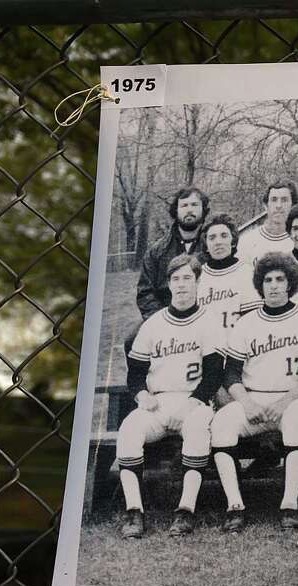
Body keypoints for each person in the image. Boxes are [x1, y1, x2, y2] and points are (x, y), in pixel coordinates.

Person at [118, 254, 222, 539]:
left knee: (198, 429)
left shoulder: (209, 321)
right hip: (158, 401)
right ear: (168, 284)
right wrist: (140, 395)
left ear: (198, 283)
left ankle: (185, 510)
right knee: (129, 429)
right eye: (176, 279)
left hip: (194, 400)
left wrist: (193, 402)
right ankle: (134, 512)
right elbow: (135, 373)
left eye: (188, 278)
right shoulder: (153, 324)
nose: (182, 284)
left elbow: (214, 375)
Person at [211, 252, 298, 533]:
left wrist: (285, 401)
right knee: (221, 424)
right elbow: (230, 372)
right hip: (253, 398)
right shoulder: (246, 322)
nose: (273, 285)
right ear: (260, 285)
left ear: (290, 283)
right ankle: (235, 506)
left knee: (296, 424)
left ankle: (289, 505)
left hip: (292, 398)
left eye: (280, 279)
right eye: (267, 280)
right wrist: (245, 402)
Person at [136, 186, 208, 319]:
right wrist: (164, 320)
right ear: (176, 211)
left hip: (205, 316)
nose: (189, 209)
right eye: (184, 205)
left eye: (194, 204)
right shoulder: (156, 251)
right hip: (166, 317)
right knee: (131, 339)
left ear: (204, 209)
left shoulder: (212, 247)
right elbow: (145, 293)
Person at [195, 213, 258, 330]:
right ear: (206, 245)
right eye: (212, 237)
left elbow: (253, 321)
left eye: (224, 236)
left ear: (233, 241)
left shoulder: (247, 272)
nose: (218, 242)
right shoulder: (197, 276)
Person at [236, 179, 297, 266]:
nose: (278, 206)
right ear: (265, 206)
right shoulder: (246, 242)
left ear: (293, 206)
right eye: (274, 200)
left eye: (284, 200)